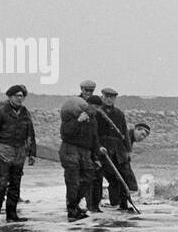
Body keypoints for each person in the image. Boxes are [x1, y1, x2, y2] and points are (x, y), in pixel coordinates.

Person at [0, 84, 37, 224]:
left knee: (15, 184)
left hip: (19, 153)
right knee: (1, 183)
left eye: (22, 96)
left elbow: (30, 134)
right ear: (10, 96)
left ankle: (12, 214)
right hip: (3, 152)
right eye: (17, 96)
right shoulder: (1, 112)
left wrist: (32, 153)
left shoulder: (25, 113)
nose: (20, 98)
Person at [58, 80, 106, 221]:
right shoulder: (73, 113)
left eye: (98, 107)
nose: (95, 110)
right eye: (94, 107)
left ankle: (74, 205)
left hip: (85, 152)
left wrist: (97, 153)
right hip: (70, 149)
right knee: (73, 181)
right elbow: (65, 133)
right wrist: (78, 121)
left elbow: (94, 138)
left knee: (89, 177)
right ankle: (72, 210)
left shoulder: (93, 119)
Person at [98, 86, 135, 211]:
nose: (109, 100)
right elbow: (93, 132)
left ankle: (124, 203)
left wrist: (128, 150)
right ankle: (114, 203)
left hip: (118, 150)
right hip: (103, 149)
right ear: (102, 97)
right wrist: (97, 147)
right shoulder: (98, 112)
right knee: (111, 177)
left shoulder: (119, 114)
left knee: (123, 176)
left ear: (114, 99)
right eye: (106, 97)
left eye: (111, 97)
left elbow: (124, 132)